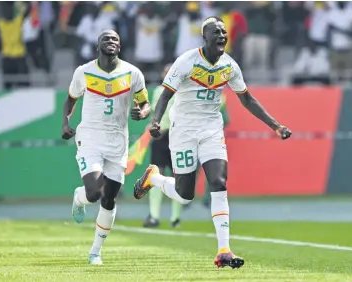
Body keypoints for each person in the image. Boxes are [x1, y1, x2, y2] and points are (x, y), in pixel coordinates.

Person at [133, 17, 291, 269]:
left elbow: (247, 99)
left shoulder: (230, 66)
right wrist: (155, 122)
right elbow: (164, 96)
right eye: (216, 32)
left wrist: (276, 125)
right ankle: (154, 178)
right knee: (185, 196)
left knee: (218, 182)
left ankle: (224, 250)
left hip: (211, 130)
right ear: (204, 37)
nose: (222, 35)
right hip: (183, 131)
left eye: (224, 32)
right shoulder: (186, 61)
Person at [61, 30, 150, 265]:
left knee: (109, 199)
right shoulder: (84, 72)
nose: (111, 41)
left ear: (119, 47)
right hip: (90, 138)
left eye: (115, 40)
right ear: (98, 46)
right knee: (94, 192)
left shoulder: (133, 73)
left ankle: (95, 252)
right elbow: (71, 98)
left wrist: (141, 113)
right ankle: (79, 198)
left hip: (118, 142)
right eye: (106, 39)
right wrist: (65, 122)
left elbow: (145, 104)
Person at [143, 64, 182, 229]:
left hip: (173, 137)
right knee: (162, 176)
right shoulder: (175, 91)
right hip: (166, 137)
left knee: (172, 177)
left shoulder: (168, 91)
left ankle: (165, 216)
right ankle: (160, 216)